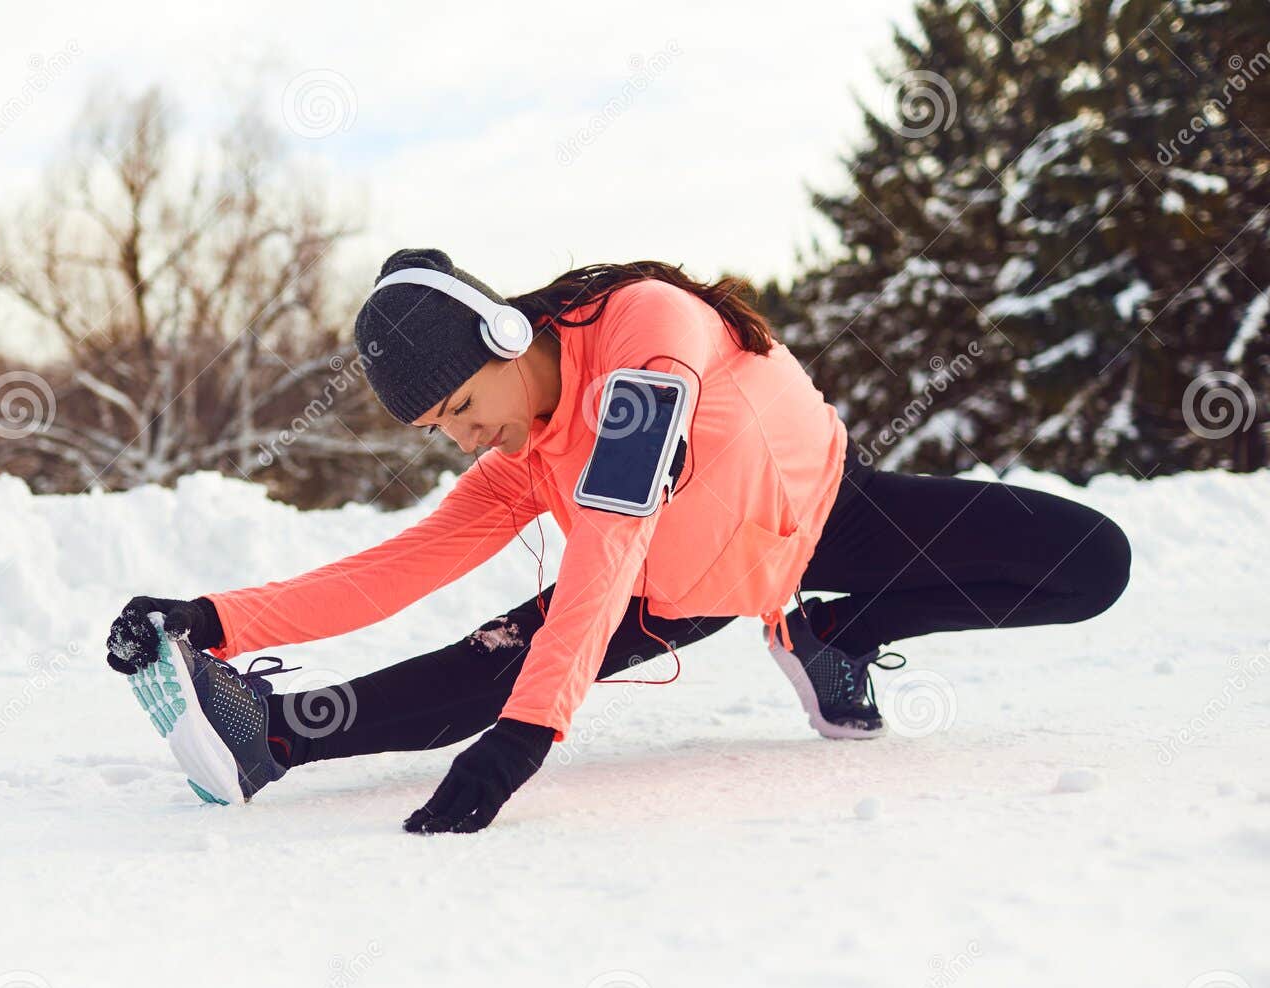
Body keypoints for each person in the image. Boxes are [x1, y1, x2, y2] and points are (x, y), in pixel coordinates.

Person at [106, 248, 1131, 835]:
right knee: (494, 666)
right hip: (666, 584)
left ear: (509, 337)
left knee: (1089, 562)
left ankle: (837, 633)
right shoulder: (518, 455)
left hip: (822, 517)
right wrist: (214, 617)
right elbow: (402, 564)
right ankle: (272, 731)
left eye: (464, 406)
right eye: (441, 432)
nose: (465, 438)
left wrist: (526, 736)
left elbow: (614, 515)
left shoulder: (647, 324)